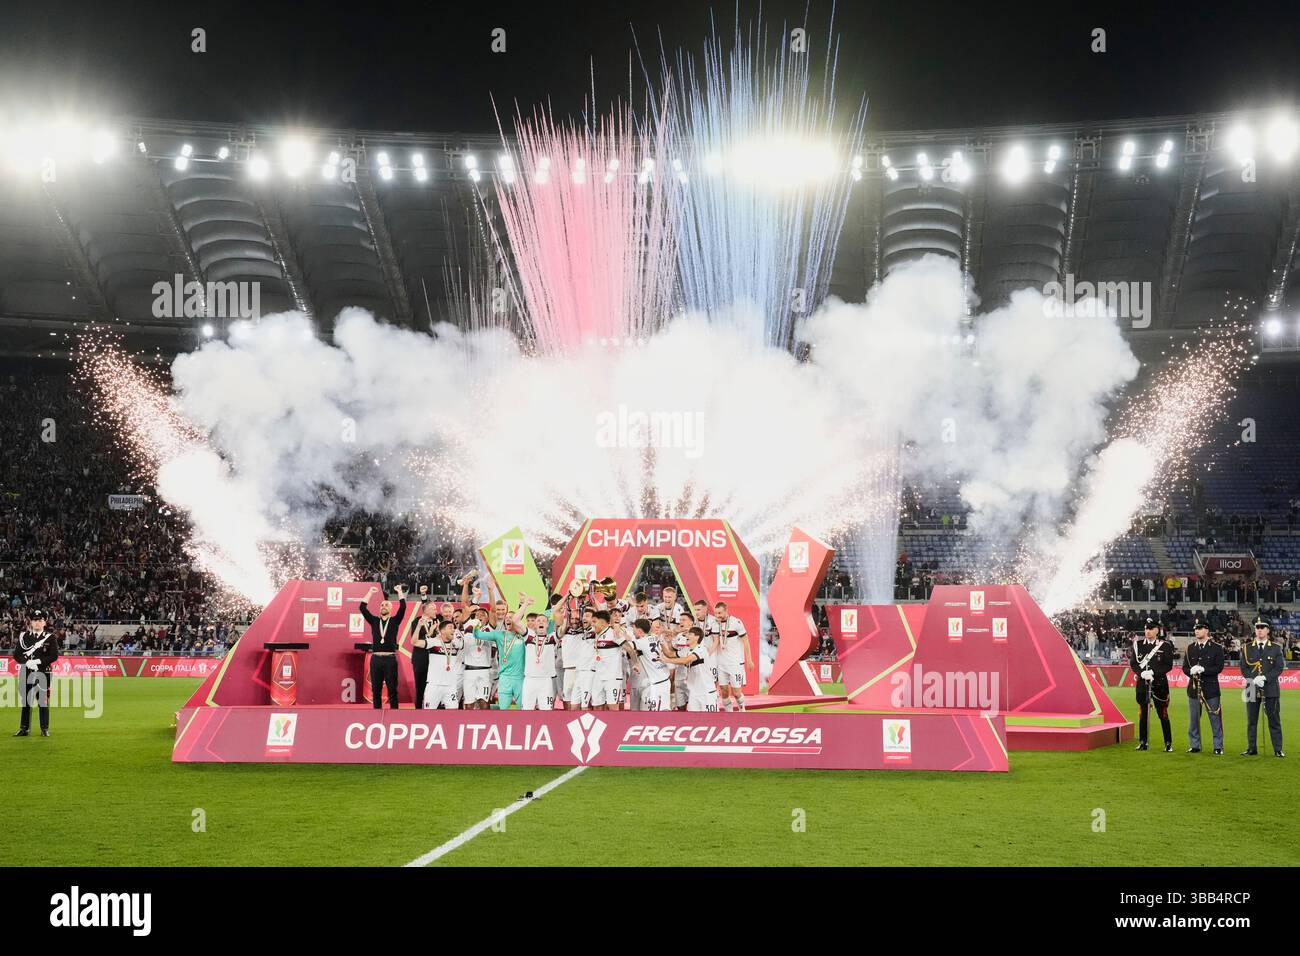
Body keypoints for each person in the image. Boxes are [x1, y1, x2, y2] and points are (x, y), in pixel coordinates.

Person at [1239, 618, 1285, 757]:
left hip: (1270, 687)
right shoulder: (1246, 647)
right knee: (1251, 720)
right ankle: (1251, 748)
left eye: (1262, 627)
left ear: (1268, 630)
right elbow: (1243, 667)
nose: (1259, 630)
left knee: (1274, 720)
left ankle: (1278, 749)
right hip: (1251, 688)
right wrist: (1254, 679)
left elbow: (1279, 668)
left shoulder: (1276, 648)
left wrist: (1264, 678)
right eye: (1257, 627)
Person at [359, 584, 408, 709]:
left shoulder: (395, 621)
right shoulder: (374, 621)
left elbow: (403, 607)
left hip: (390, 659)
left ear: (391, 609)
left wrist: (399, 592)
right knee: (376, 690)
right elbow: (362, 607)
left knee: (392, 690)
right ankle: (376, 714)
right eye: (382, 605)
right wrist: (370, 592)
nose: (383, 606)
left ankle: (394, 715)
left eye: (386, 605)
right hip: (375, 659)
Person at [13, 609, 59, 737]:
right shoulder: (24, 637)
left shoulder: (50, 637)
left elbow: (54, 656)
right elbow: (17, 655)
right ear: (31, 622)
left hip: (43, 673)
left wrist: (38, 661)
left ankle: (44, 729)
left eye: (40, 620)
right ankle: (24, 728)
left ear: (44, 622)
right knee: (26, 702)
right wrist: (26, 662)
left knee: (42, 701)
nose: (37, 623)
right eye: (35, 620)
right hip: (26, 673)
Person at [1129, 617, 1173, 752]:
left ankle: (1168, 743)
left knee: (1163, 714)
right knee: (1143, 714)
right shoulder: (1138, 645)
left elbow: (1168, 665)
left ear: (1157, 630)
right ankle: (1143, 742)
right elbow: (1134, 663)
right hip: (1143, 683)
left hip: (1159, 684)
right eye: (1146, 629)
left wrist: (1154, 673)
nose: (1147, 631)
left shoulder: (1165, 645)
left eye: (1151, 629)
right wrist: (1142, 673)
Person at [1182, 617, 1224, 754]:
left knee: (1215, 718)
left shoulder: (1217, 648)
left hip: (1211, 688)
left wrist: (1204, 670)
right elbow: (1185, 668)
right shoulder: (1190, 648)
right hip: (1193, 688)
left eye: (1199, 628)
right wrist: (1191, 672)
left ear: (1207, 630)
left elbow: (1219, 667)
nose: (1196, 631)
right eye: (1195, 629)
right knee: (1194, 719)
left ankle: (1218, 746)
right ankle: (1195, 745)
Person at [661, 625, 721, 712]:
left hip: (707, 692)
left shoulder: (702, 649)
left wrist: (667, 660)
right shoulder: (686, 650)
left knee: (711, 720)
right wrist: (662, 641)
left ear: (697, 637)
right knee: (693, 719)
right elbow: (670, 654)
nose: (687, 636)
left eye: (690, 634)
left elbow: (685, 660)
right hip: (693, 693)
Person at [708, 601, 751, 712]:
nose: (718, 615)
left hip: (735, 663)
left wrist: (749, 659)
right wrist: (707, 655)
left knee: (736, 693)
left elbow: (746, 641)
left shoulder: (736, 622)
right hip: (721, 663)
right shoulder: (715, 623)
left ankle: (742, 711)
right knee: (724, 691)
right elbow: (716, 641)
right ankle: (729, 715)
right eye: (716, 613)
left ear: (726, 611)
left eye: (720, 613)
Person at [419, 620, 463, 709]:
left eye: (453, 628)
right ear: (442, 631)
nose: (453, 630)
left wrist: (455, 633)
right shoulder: (434, 642)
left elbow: (461, 644)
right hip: (434, 684)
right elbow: (414, 642)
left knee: (453, 713)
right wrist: (418, 627)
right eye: (450, 628)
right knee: (428, 713)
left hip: (451, 685)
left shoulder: (455, 643)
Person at [630, 618, 672, 711]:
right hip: (661, 678)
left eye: (634, 629)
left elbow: (627, 646)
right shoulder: (654, 637)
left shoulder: (641, 642)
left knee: (662, 710)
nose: (633, 631)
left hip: (659, 681)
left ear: (639, 631)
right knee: (654, 709)